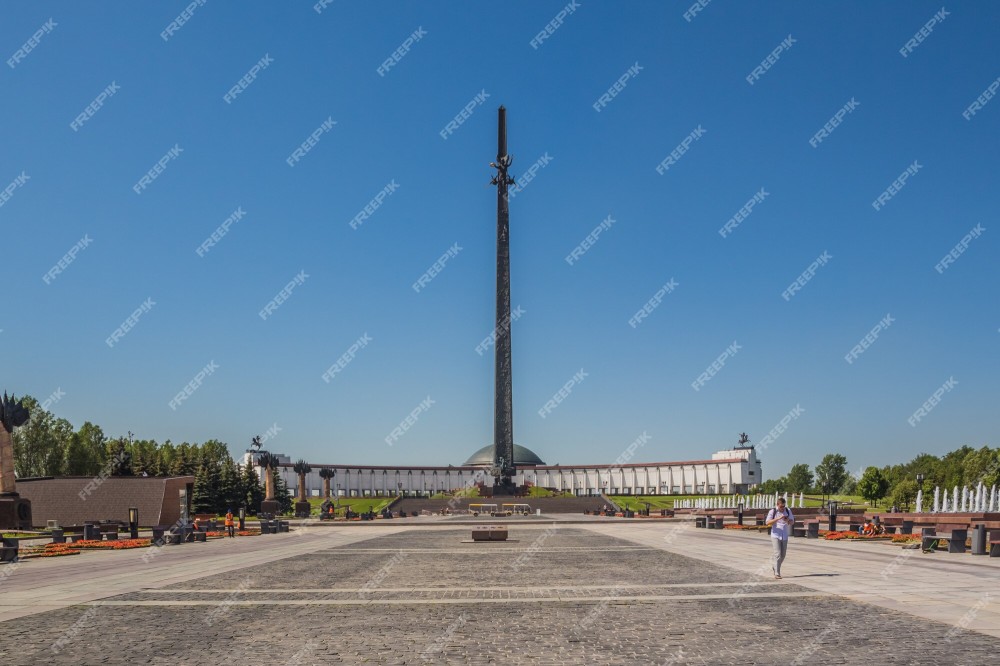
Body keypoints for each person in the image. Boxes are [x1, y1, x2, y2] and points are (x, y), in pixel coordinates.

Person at [765, 497, 794, 579]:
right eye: (781, 506)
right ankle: (777, 573)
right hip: (775, 535)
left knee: (783, 554)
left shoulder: (788, 511)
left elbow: (792, 522)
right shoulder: (773, 511)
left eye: (784, 506)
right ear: (777, 505)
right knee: (777, 554)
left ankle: (775, 566)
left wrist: (788, 520)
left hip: (784, 535)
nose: (782, 508)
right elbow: (767, 522)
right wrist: (777, 518)